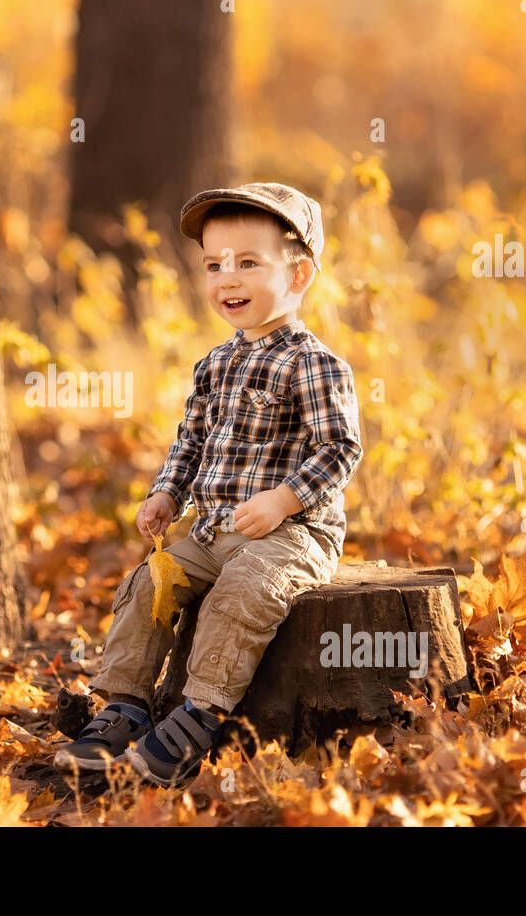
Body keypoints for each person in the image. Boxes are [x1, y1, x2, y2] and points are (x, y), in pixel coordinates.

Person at [54, 182, 364, 786]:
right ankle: (124, 704)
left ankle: (199, 713)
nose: (228, 279)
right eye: (215, 265)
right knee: (150, 586)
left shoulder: (316, 364)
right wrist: (167, 493)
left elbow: (340, 449)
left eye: (248, 263)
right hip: (215, 526)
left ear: (299, 275)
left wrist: (284, 500)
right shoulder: (215, 364)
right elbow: (190, 444)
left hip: (291, 535)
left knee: (240, 594)